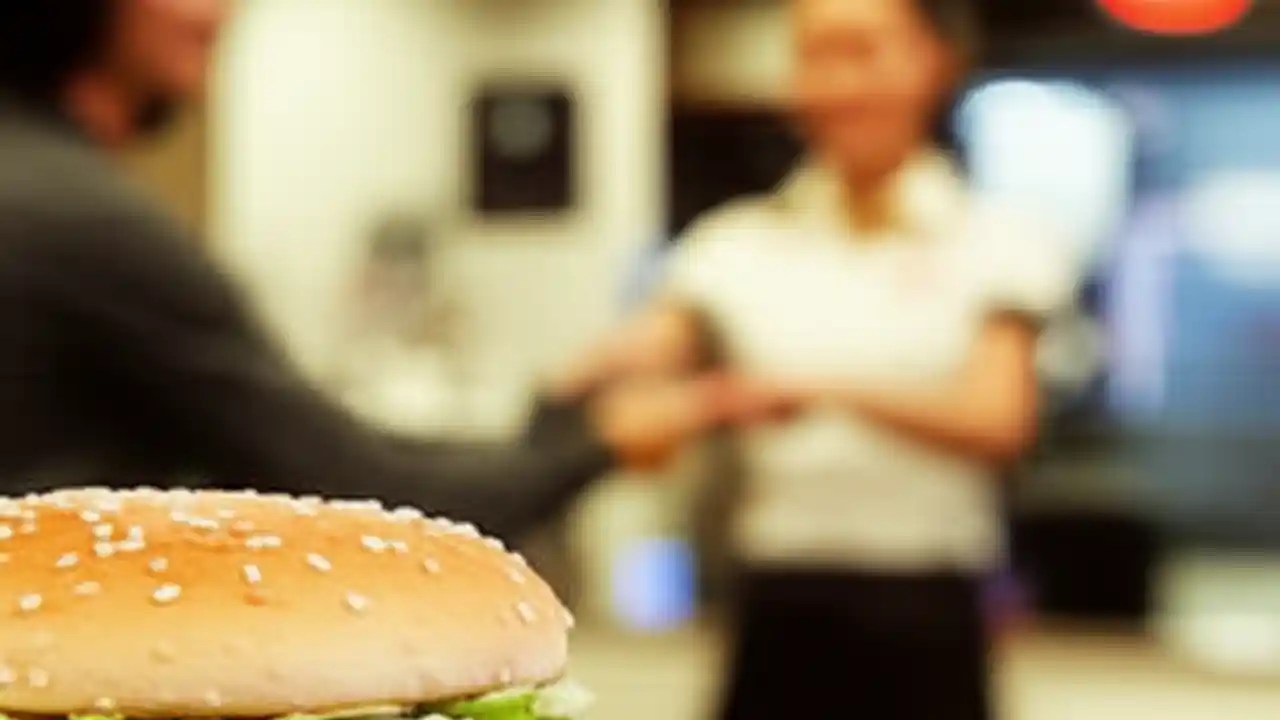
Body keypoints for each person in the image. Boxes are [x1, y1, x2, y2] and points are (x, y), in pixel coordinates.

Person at [0, 0, 724, 541]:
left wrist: (561, 408)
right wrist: (601, 445)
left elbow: (326, 446)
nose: (219, 12)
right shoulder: (91, 222)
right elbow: (362, 493)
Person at [564, 0, 1077, 718]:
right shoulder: (735, 244)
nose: (835, 85)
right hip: (778, 603)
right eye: (813, 56)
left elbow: (999, 419)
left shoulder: (998, 242)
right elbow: (631, 373)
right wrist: (604, 391)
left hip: (928, 609)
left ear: (935, 63)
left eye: (862, 53)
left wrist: (816, 388)